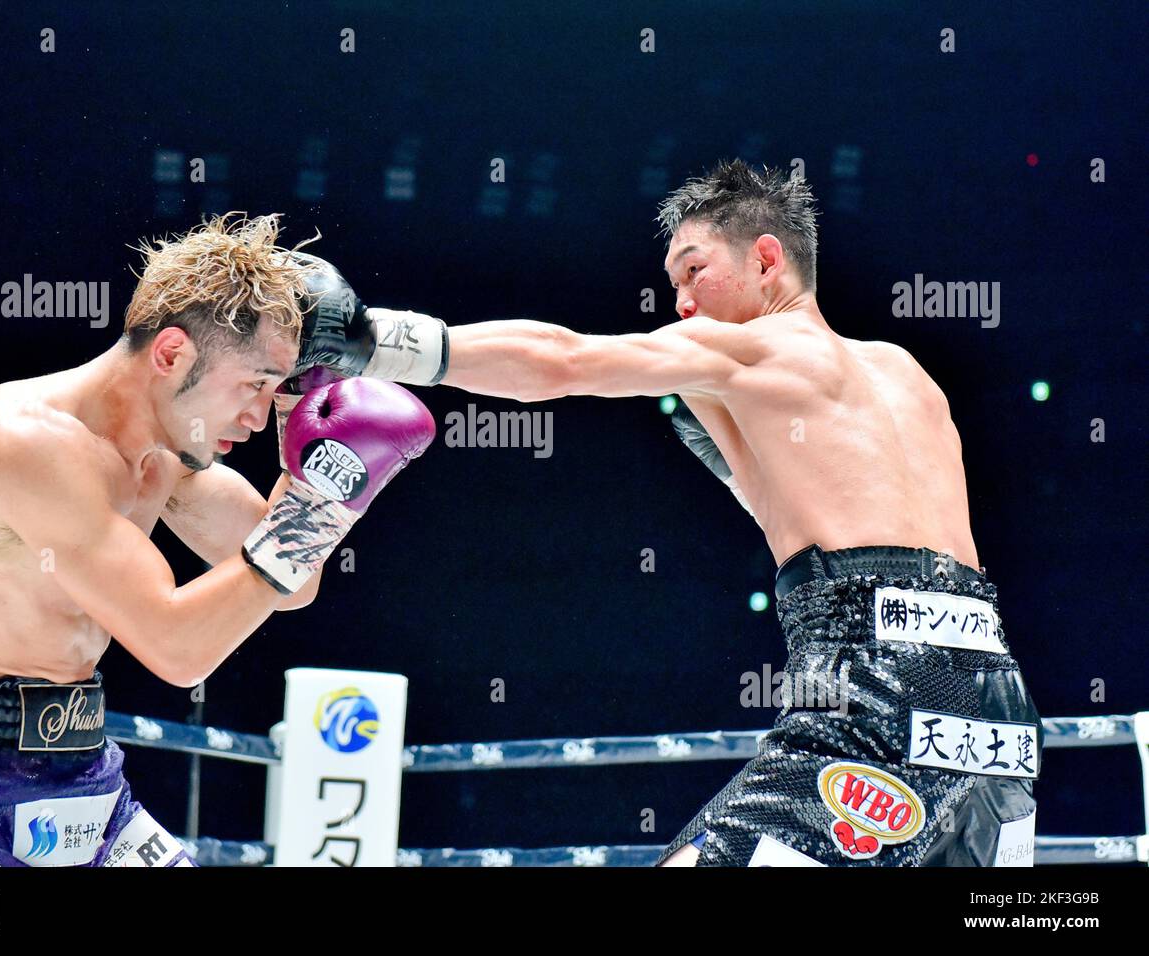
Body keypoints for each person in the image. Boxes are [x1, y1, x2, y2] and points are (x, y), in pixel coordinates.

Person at [287, 160, 1043, 866]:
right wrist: (746, 475)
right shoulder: (907, 373)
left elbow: (565, 362)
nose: (681, 303)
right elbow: (876, 537)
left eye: (693, 271)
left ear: (767, 261)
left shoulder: (755, 352)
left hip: (876, 684)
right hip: (998, 714)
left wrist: (375, 341)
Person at [0, 213, 435, 867]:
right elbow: (179, 646)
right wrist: (319, 509)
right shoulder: (26, 442)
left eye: (275, 392)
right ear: (171, 354)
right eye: (252, 386)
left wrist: (307, 448)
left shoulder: (163, 457)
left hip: (86, 785)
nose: (255, 410)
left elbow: (288, 583)